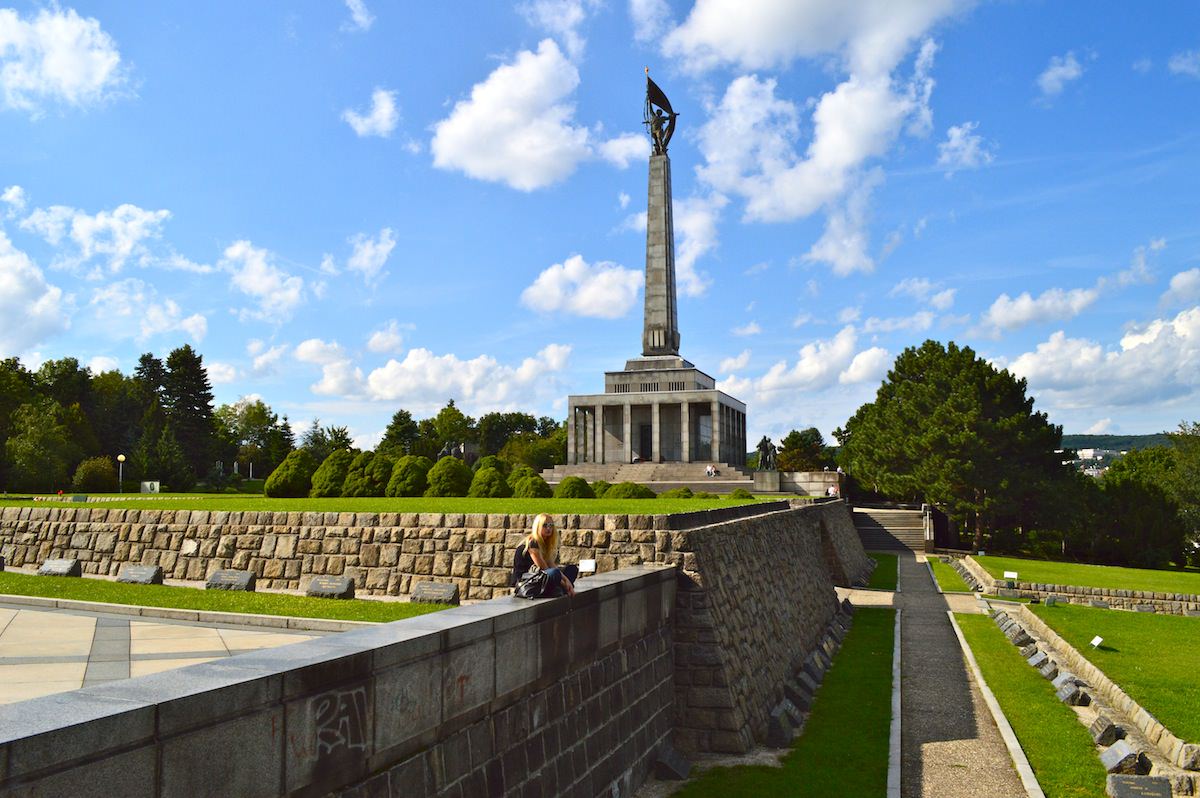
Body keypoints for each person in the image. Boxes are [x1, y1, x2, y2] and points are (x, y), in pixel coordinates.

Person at [518, 513, 578, 597]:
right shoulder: (533, 542)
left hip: (540, 577)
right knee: (554, 573)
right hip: (527, 581)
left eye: (551, 525)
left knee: (572, 569)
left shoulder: (545, 542)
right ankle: (559, 589)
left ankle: (558, 589)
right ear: (538, 526)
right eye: (544, 525)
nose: (548, 528)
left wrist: (566, 580)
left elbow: (551, 564)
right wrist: (564, 584)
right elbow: (544, 568)